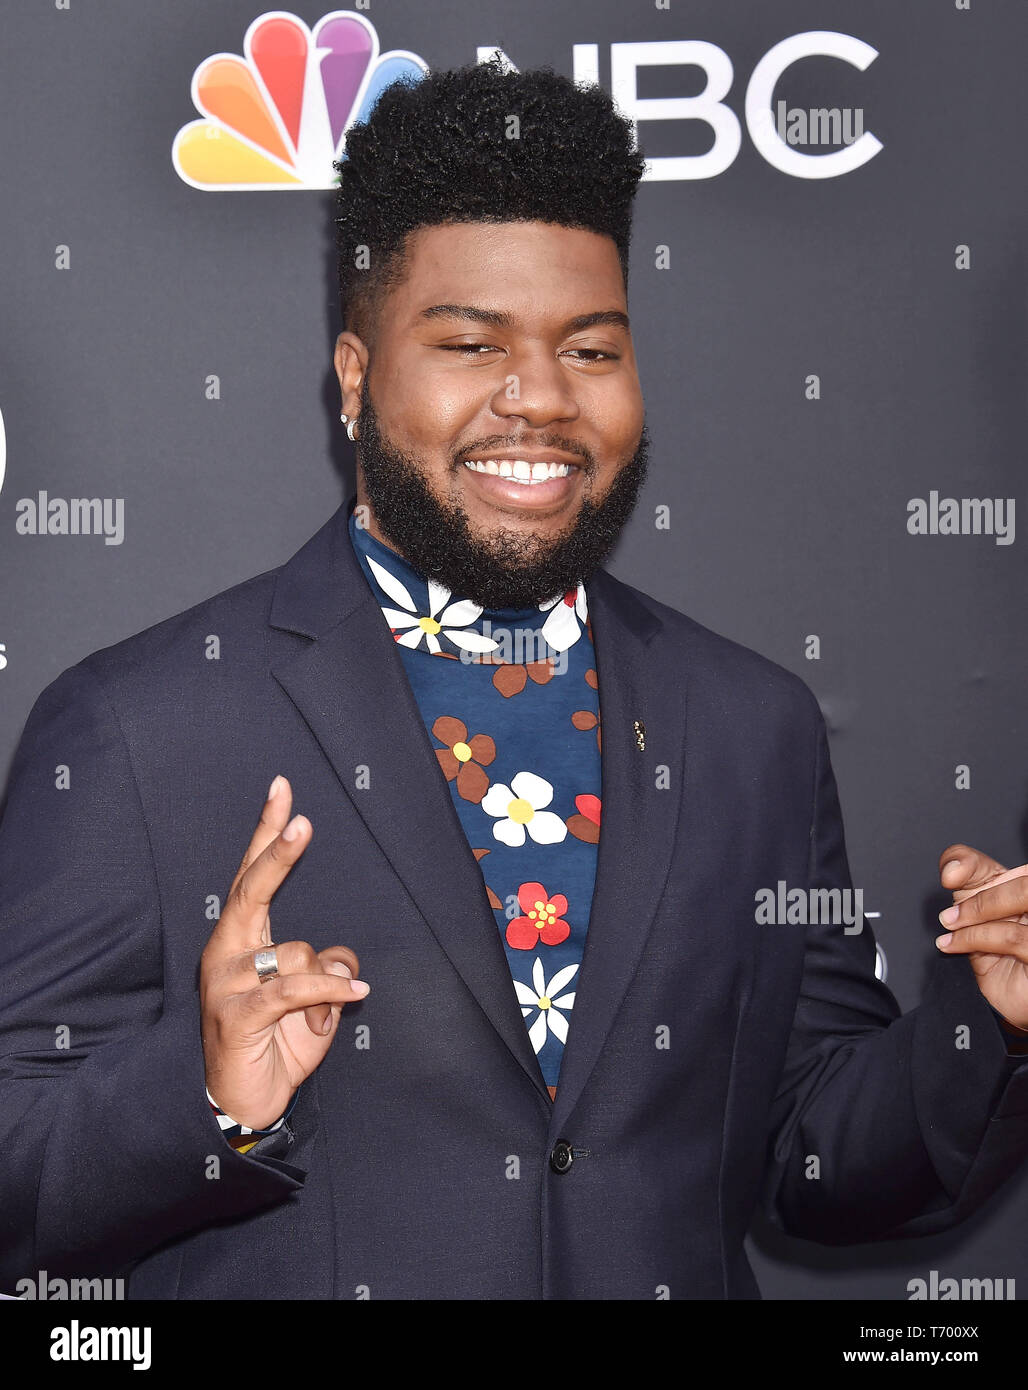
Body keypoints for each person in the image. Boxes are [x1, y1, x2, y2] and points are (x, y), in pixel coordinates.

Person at [1, 58, 1027, 1302]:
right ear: (353, 377)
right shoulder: (139, 725)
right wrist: (207, 1096)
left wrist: (989, 1022)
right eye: (469, 342)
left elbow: (814, 1161)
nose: (538, 397)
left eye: (589, 348)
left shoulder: (748, 724)